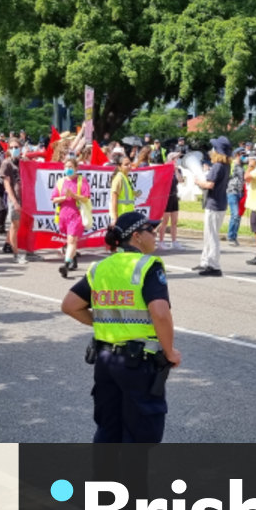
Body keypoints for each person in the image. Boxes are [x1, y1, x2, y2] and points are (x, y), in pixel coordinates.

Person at [60, 211, 182, 443]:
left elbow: (70, 305)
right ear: (136, 236)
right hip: (138, 364)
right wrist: (170, 352)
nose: (155, 236)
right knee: (140, 437)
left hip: (106, 361)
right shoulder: (147, 265)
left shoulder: (100, 268)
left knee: (108, 431)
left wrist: (108, 321)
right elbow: (160, 313)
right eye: (151, 231)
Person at [193, 140, 232, 276]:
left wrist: (199, 182)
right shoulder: (226, 165)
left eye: (213, 148)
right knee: (209, 234)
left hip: (214, 204)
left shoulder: (218, 166)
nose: (211, 151)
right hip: (220, 203)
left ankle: (214, 265)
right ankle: (205, 261)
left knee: (211, 235)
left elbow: (209, 184)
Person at [53, 157, 91, 278]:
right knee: (70, 241)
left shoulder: (81, 180)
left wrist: (74, 195)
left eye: (71, 167)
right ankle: (73, 259)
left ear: (76, 168)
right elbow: (54, 199)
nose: (68, 169)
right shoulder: (60, 182)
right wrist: (64, 197)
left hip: (76, 214)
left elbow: (86, 197)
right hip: (64, 215)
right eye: (66, 167)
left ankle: (66, 264)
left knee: (71, 240)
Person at [109, 154, 137, 223]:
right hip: (121, 215)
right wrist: (115, 218)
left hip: (128, 215)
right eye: (126, 165)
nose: (129, 166)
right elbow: (114, 199)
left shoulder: (127, 178)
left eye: (130, 164)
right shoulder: (119, 178)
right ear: (119, 167)